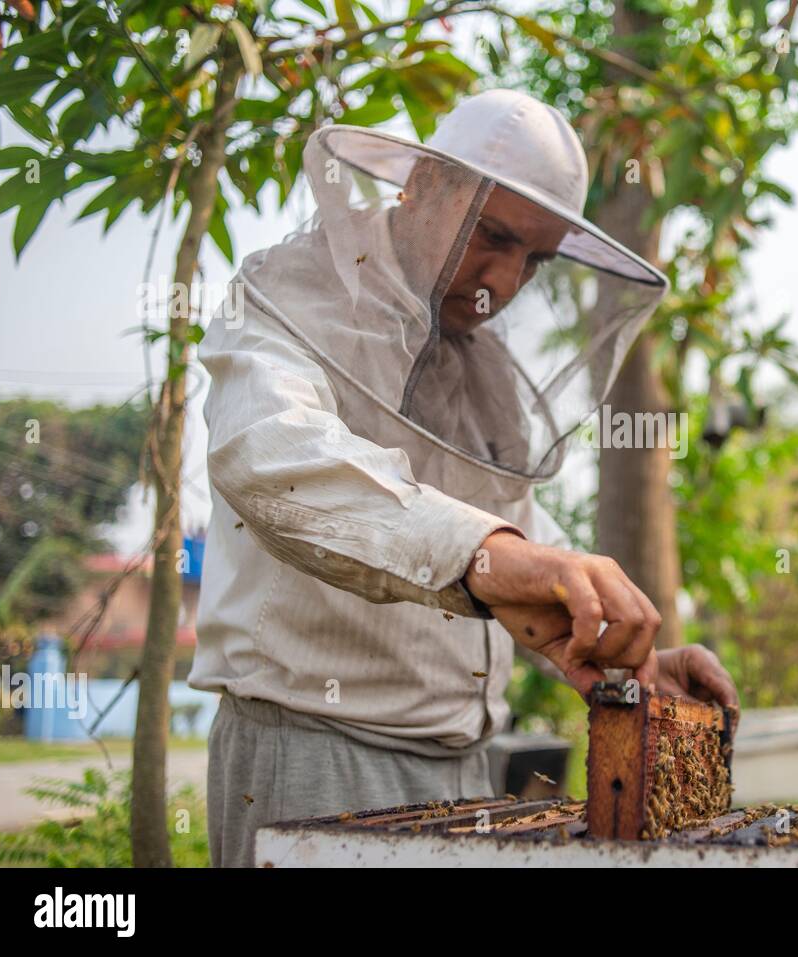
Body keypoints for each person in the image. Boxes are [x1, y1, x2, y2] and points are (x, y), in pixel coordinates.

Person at [189, 89, 738, 867]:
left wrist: (628, 656)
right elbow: (273, 457)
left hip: (465, 763)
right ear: (424, 184)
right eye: (494, 236)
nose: (505, 281)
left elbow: (513, 523)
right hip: (314, 749)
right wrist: (493, 554)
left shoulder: (481, 356)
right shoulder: (290, 296)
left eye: (534, 259)